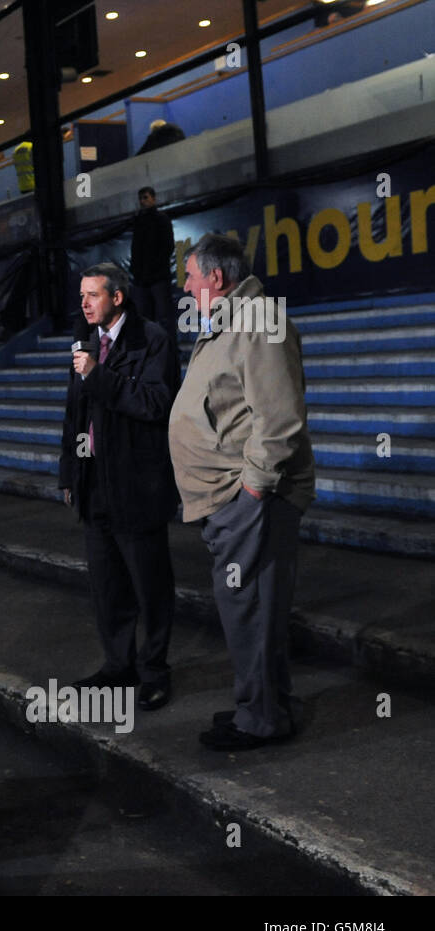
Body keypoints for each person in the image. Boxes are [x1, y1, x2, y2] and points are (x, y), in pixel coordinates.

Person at [169, 233, 315, 750]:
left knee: (251, 611)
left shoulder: (258, 321)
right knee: (254, 610)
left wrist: (252, 489)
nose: (184, 287)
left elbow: (278, 419)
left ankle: (261, 719)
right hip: (232, 496)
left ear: (216, 277)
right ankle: (266, 705)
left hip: (251, 498)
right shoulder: (233, 321)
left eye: (189, 276)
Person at [59, 264, 181, 710]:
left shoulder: (152, 339)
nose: (85, 303)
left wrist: (99, 375)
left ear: (118, 297)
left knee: (149, 585)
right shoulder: (85, 339)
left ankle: (154, 671)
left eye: (93, 295)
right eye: (82, 295)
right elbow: (75, 414)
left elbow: (154, 404)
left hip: (138, 482)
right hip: (94, 484)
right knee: (107, 585)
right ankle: (118, 666)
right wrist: (70, 471)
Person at [130, 186, 176, 328]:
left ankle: (169, 348)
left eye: (146, 197)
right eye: (141, 198)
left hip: (158, 276)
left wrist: (155, 267)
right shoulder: (138, 221)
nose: (143, 201)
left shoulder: (162, 219)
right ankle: (152, 348)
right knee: (145, 317)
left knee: (164, 316)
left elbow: (168, 246)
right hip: (143, 278)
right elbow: (135, 248)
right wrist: (136, 271)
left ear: (153, 199)